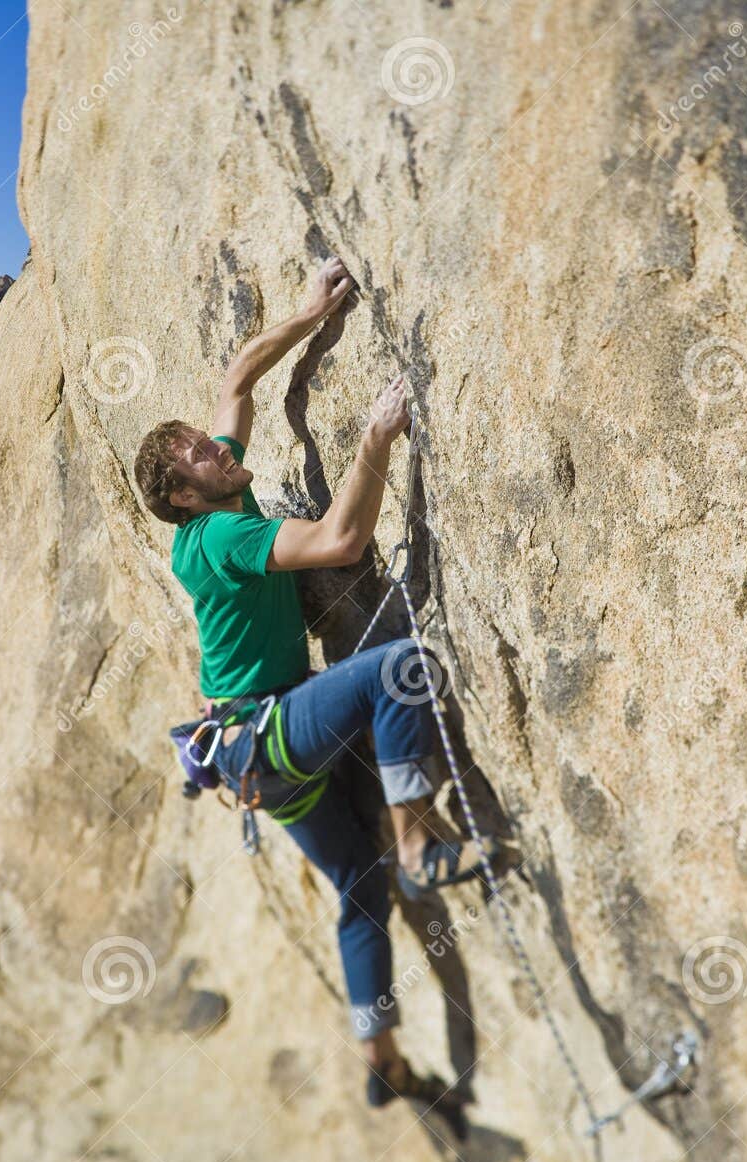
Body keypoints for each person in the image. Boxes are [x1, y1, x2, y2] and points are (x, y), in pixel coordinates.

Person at [134, 257, 492, 1114]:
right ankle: (413, 841)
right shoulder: (221, 541)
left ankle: (382, 1055)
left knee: (358, 898)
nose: (215, 449)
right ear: (187, 496)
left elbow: (238, 378)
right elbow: (338, 542)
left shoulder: (215, 493)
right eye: (196, 455)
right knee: (394, 671)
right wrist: (374, 442)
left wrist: (307, 317)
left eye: (198, 439)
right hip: (267, 735)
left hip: (255, 761)